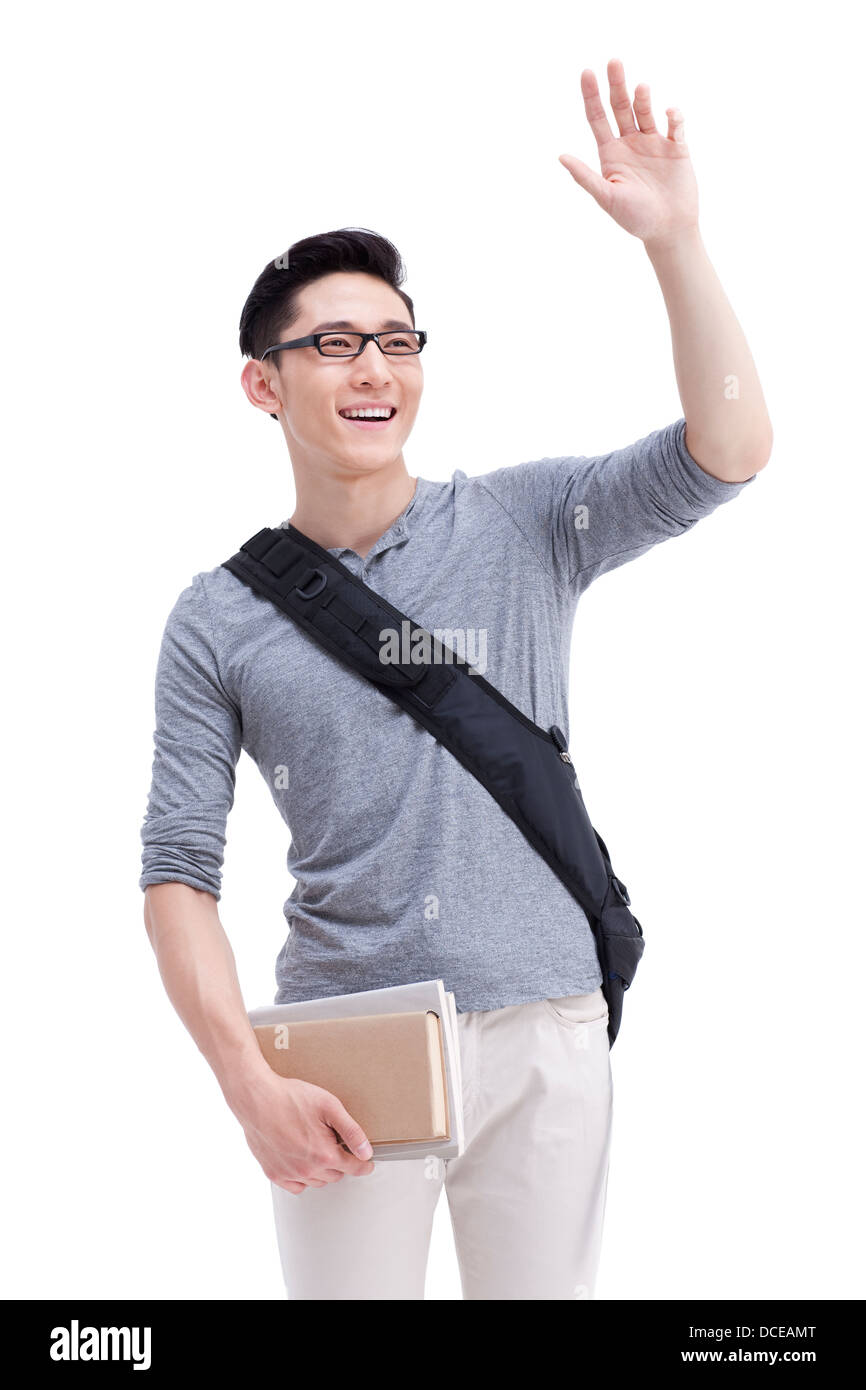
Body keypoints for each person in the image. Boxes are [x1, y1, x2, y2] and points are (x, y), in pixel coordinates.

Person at [139, 59, 772, 1300]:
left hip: (546, 1023)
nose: (373, 367)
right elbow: (176, 873)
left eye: (393, 340)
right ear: (264, 384)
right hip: (341, 1049)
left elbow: (729, 450)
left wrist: (676, 243)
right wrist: (245, 1083)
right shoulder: (215, 618)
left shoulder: (524, 521)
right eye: (333, 343)